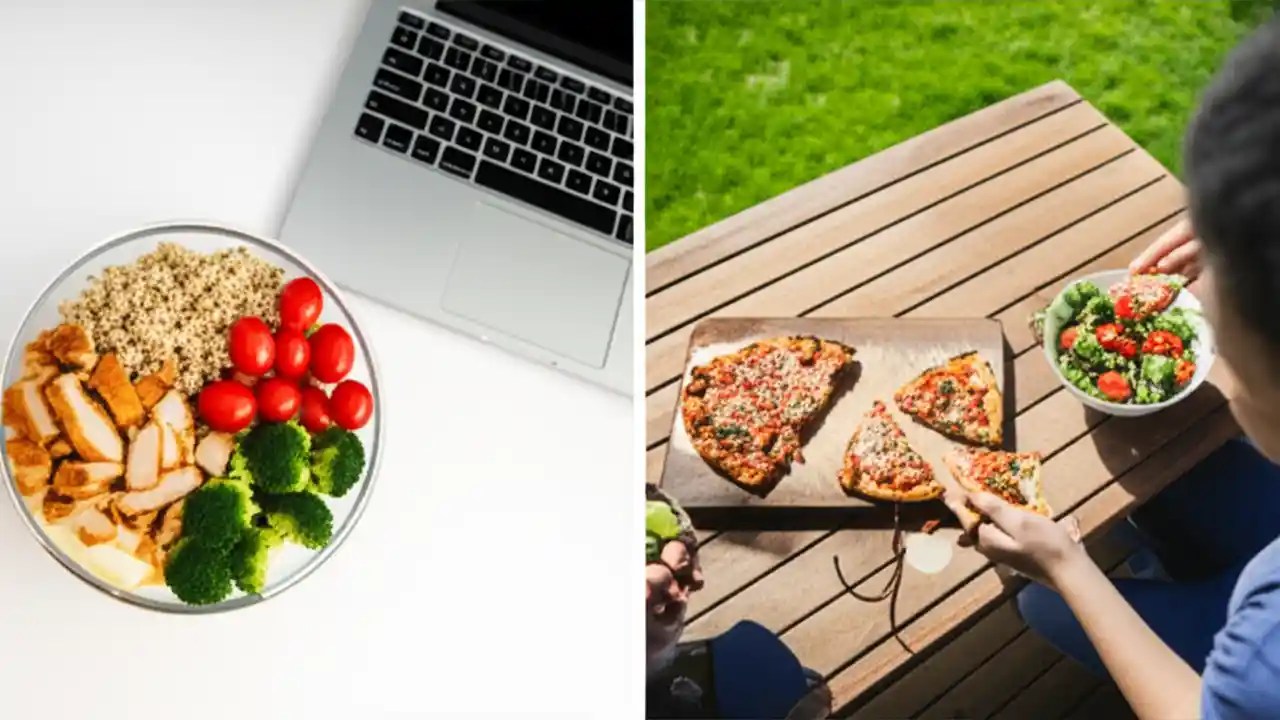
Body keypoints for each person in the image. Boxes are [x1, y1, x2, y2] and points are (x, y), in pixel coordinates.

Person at [942, 18, 1280, 719]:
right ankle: (1176, 566)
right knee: (1172, 492)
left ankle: (1165, 586)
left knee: (1041, 604)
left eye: (1226, 348)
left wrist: (1068, 570)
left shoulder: (1265, 644)